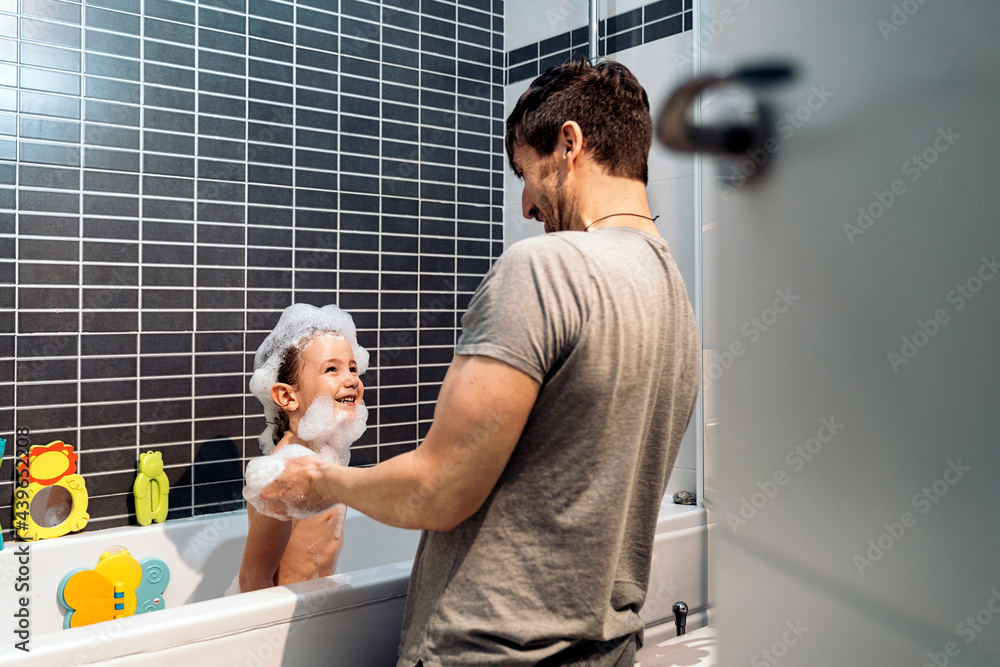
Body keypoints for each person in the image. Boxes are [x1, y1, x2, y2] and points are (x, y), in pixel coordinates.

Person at [256, 59, 701, 665]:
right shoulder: (675, 294)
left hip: (492, 649)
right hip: (606, 648)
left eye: (525, 172)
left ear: (569, 144)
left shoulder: (544, 268)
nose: (523, 204)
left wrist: (320, 480)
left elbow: (438, 490)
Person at [232, 303, 370, 593]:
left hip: (316, 610)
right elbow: (252, 580)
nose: (351, 379)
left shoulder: (327, 456)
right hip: (289, 620)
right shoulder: (282, 473)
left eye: (353, 368)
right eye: (331, 369)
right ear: (286, 396)